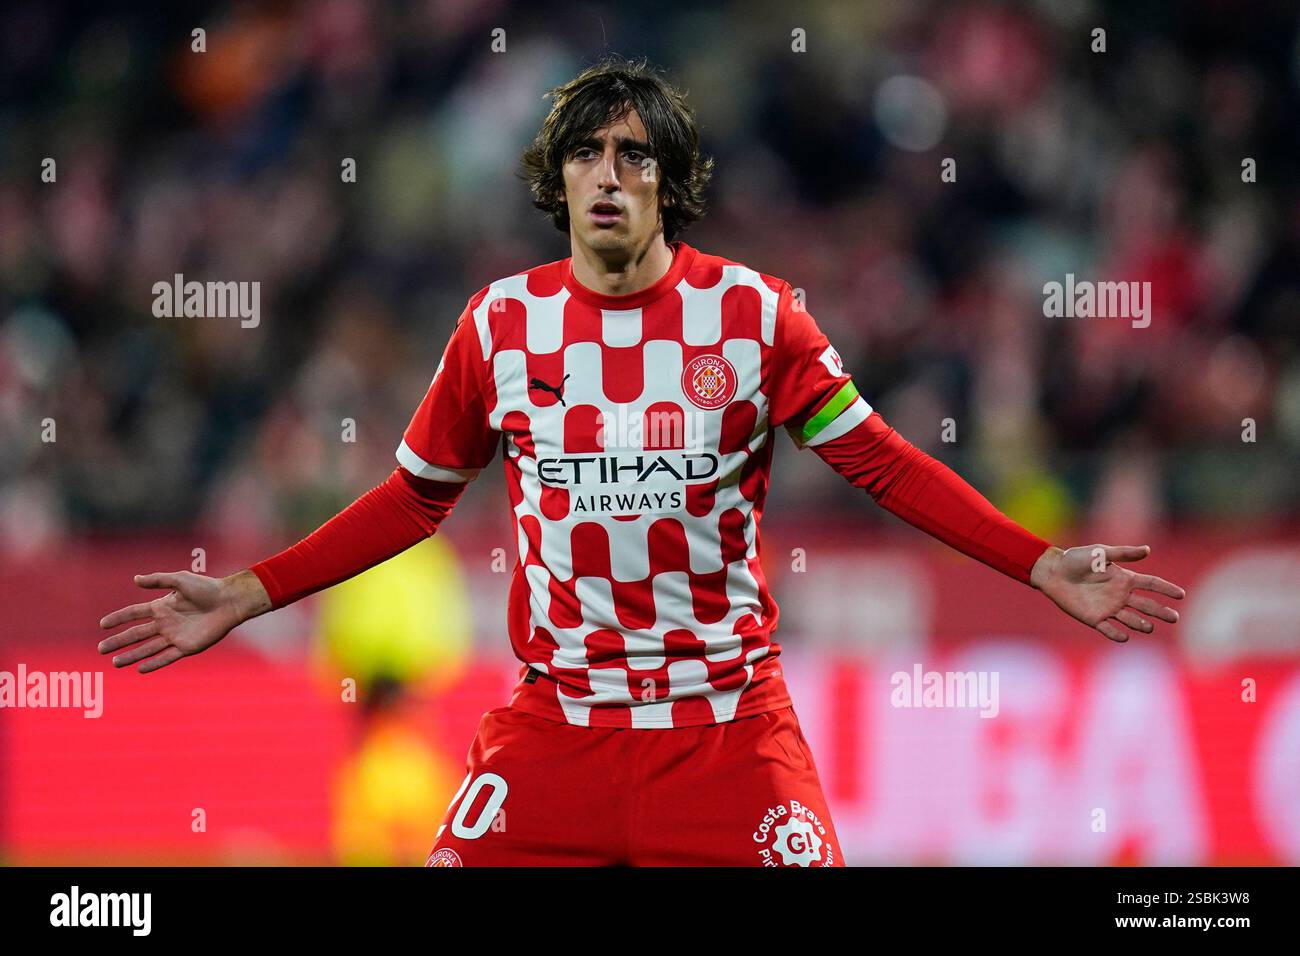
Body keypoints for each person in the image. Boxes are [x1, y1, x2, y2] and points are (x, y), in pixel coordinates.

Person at [98, 57, 1186, 867]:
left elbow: (887, 464)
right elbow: (411, 501)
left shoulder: (757, 317)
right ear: (555, 177)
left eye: (632, 154)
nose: (606, 175)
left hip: (724, 730)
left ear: (671, 179)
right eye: (584, 152)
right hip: (557, 730)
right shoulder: (500, 326)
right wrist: (248, 590)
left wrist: (1037, 560)